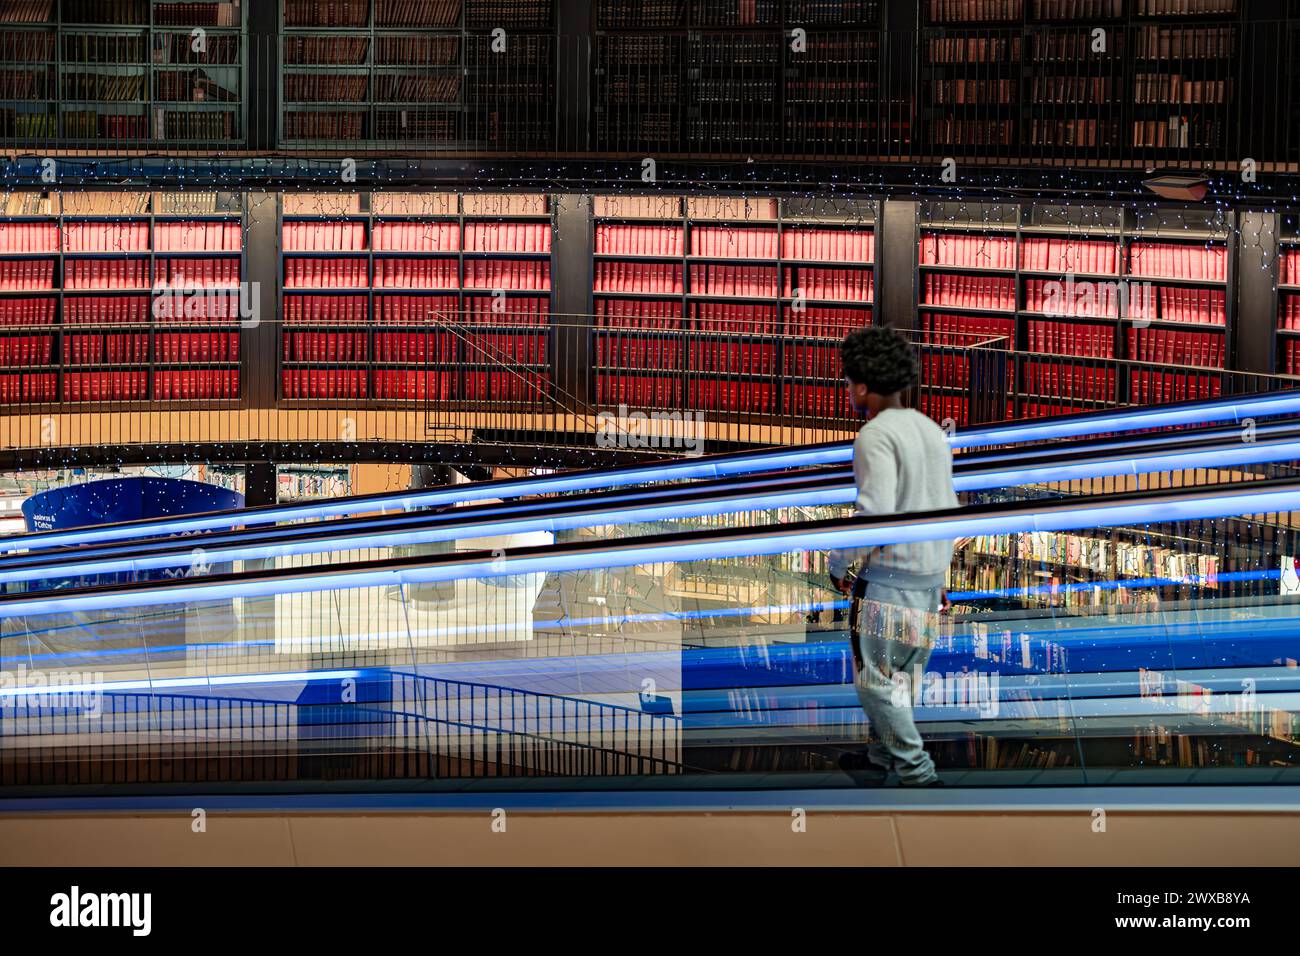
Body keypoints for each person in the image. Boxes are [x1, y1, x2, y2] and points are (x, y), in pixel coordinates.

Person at [828, 326, 958, 787]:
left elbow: (874, 511)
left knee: (875, 684)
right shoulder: (929, 429)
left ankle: (917, 773)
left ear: (862, 384)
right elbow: (946, 506)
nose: (847, 389)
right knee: (902, 678)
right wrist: (940, 576)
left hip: (887, 580)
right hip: (926, 582)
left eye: (848, 381)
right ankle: (881, 761)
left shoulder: (874, 435)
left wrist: (839, 563)